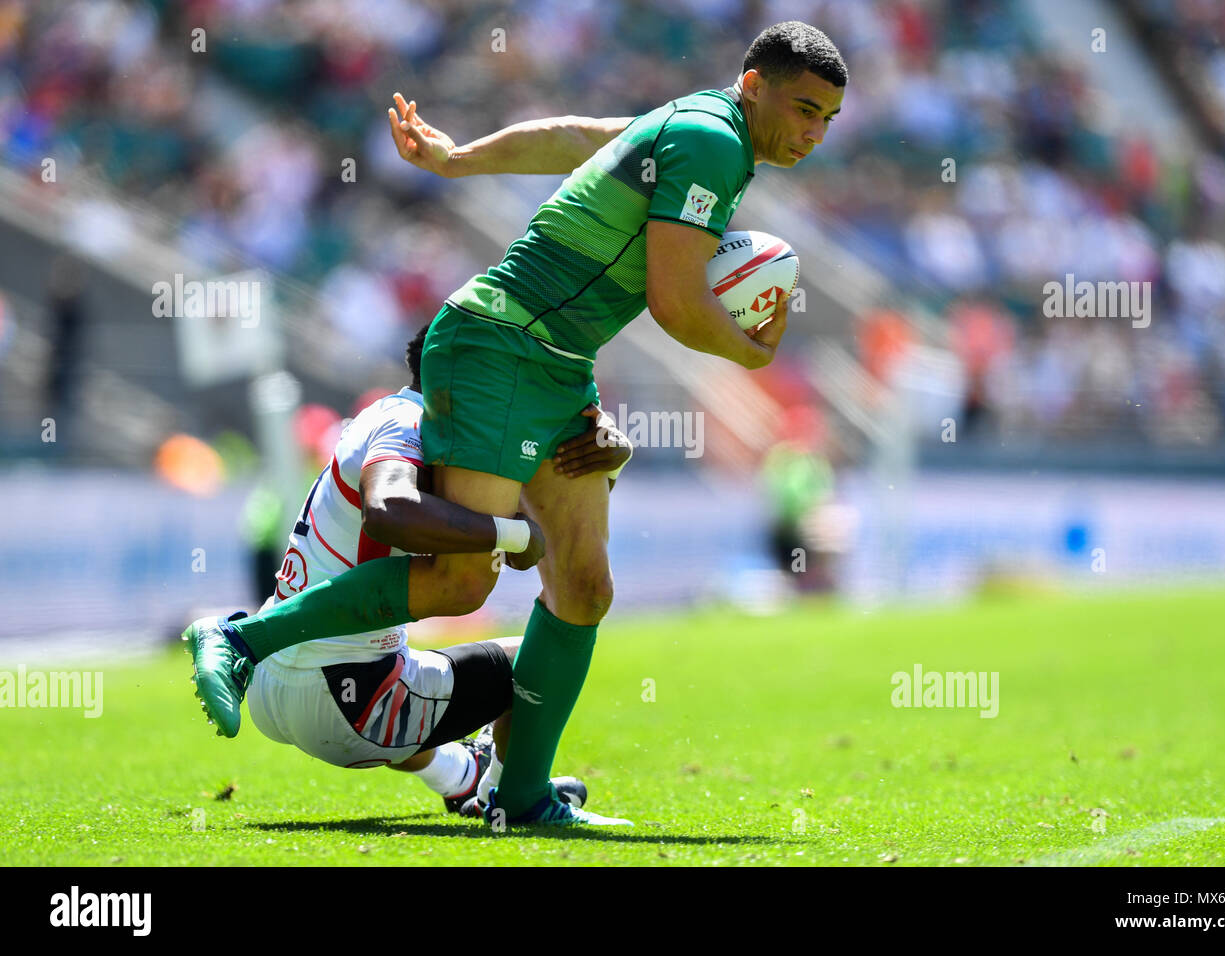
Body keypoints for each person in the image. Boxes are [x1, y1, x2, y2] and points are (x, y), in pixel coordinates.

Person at [186, 21, 847, 828]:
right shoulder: (714, 141)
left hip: (556, 362)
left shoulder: (693, 123)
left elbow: (572, 137)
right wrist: (752, 351)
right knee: (464, 577)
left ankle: (524, 795)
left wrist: (459, 159)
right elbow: (676, 302)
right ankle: (243, 641)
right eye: (804, 108)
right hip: (501, 339)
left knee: (584, 584)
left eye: (827, 119)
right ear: (754, 86)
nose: (813, 132)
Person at [189, 324, 634, 824]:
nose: (515, 392)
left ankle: (463, 776)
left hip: (283, 679)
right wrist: (511, 535)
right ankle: (508, 796)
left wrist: (603, 465)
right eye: (508, 376)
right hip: (343, 694)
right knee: (531, 659)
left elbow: (535, 523)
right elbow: (391, 508)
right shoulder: (412, 422)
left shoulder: (391, 412)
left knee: (411, 664)